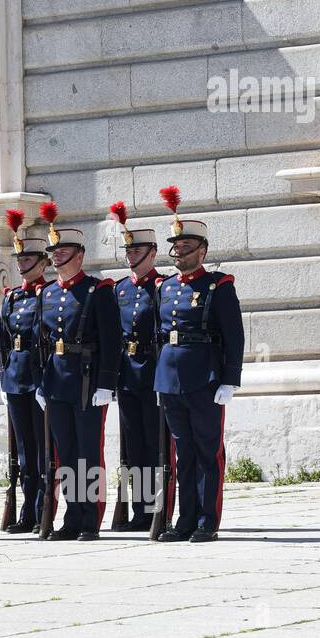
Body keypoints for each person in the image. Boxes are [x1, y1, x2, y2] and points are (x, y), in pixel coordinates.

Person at [153, 186, 245, 543]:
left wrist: (229, 380)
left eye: (185, 248)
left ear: (202, 251)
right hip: (170, 379)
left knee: (208, 452)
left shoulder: (217, 286)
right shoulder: (165, 288)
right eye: (175, 248)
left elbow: (234, 336)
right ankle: (185, 518)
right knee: (182, 454)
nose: (178, 253)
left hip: (204, 378)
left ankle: (208, 519)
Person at [35, 201, 121, 542]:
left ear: (80, 256)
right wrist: (41, 382)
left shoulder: (97, 291)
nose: (56, 257)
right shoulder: (49, 293)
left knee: (88, 452)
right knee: (66, 453)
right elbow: (38, 342)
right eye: (54, 252)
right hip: (56, 383)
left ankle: (91, 518)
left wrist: (106, 383)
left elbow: (112, 341)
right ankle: (72, 517)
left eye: (64, 251)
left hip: (87, 383)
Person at [0, 210, 53, 535]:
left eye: (29, 258)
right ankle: (26, 512)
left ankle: (44, 509)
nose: (22, 264)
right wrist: (4, 378)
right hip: (16, 380)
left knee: (43, 451)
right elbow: (5, 341)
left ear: (42, 263)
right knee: (23, 451)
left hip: (39, 380)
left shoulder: (48, 295)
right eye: (20, 258)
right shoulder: (12, 298)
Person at [108, 202, 162, 532]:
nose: (131, 255)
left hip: (154, 372)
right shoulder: (120, 290)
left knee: (155, 445)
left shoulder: (162, 287)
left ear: (152, 253)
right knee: (133, 446)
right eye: (128, 249)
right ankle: (139, 511)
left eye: (137, 249)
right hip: (127, 374)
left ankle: (157, 508)